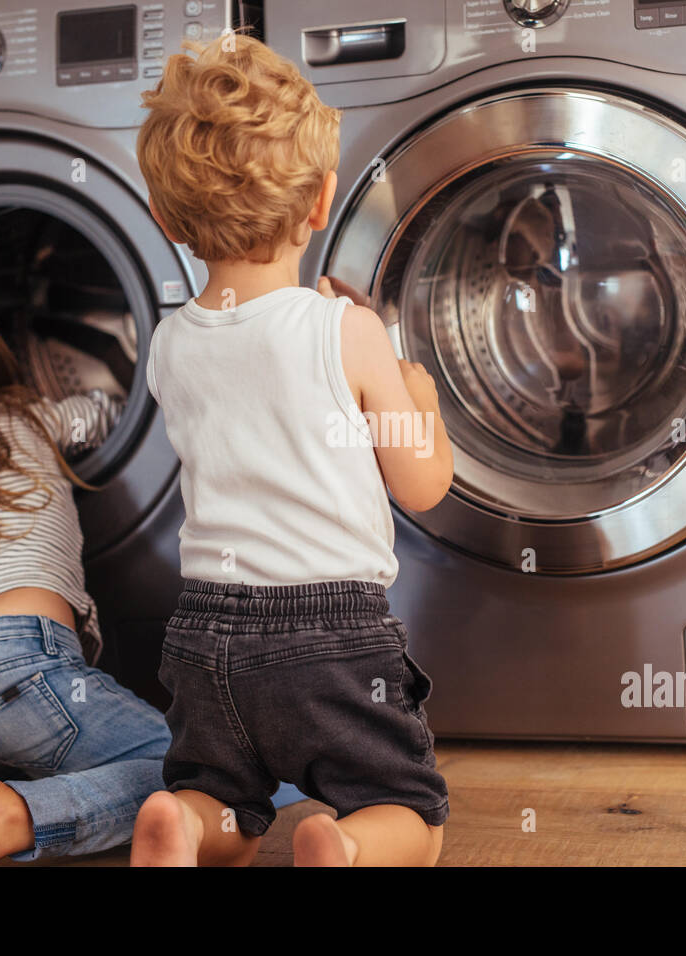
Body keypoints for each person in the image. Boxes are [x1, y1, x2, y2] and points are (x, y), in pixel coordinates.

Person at [0, 295, 299, 864]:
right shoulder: (31, 416)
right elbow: (112, 406)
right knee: (218, 773)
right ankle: (18, 816)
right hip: (9, 668)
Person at [130, 34, 455, 867]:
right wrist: (421, 404)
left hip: (205, 635)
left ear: (166, 219)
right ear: (321, 202)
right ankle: (346, 843)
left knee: (232, 815)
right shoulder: (345, 330)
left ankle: (188, 821)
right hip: (332, 637)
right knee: (414, 819)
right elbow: (421, 485)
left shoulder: (171, 343)